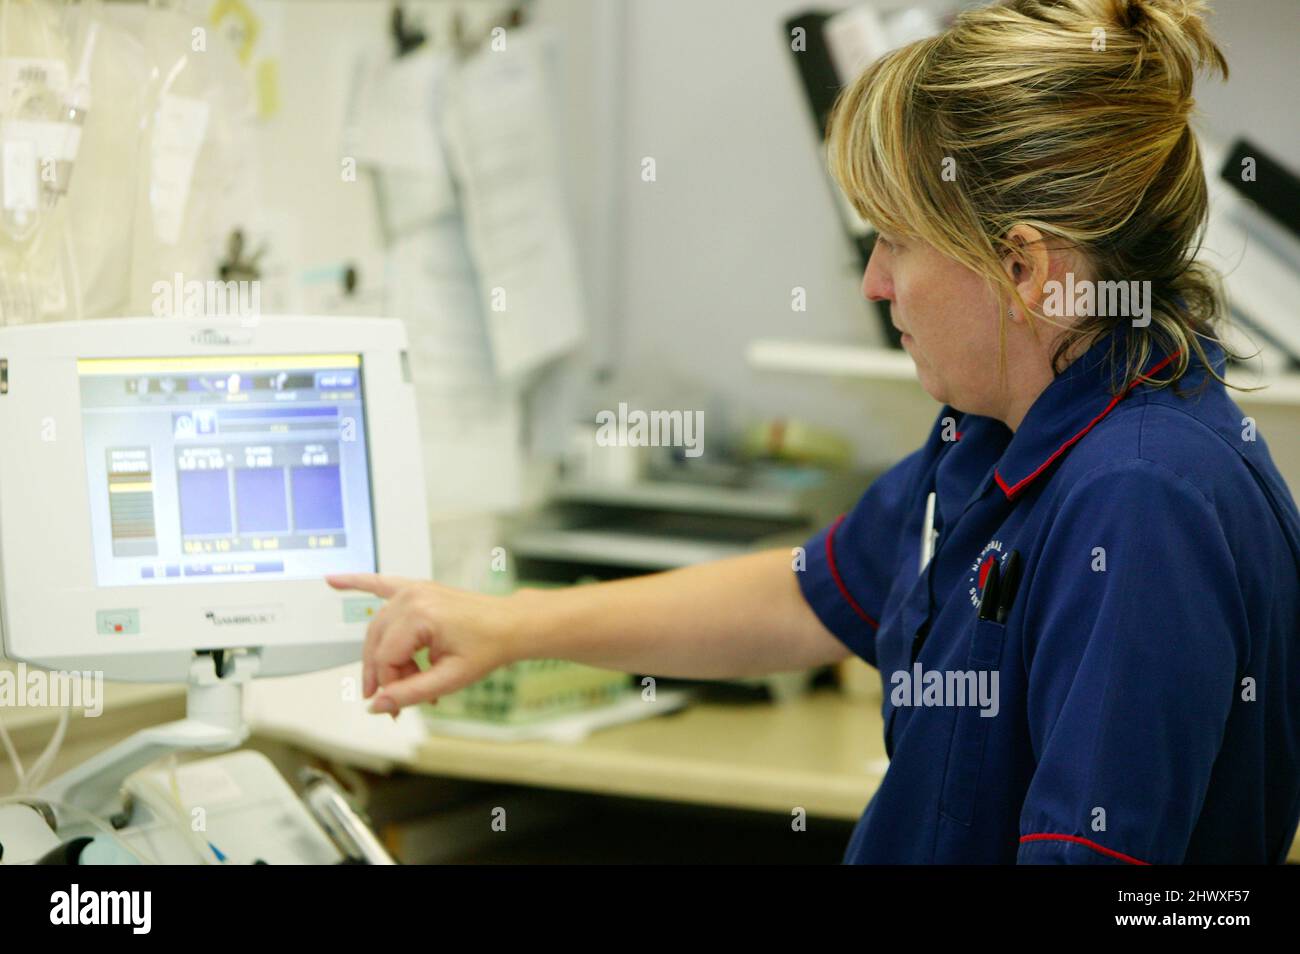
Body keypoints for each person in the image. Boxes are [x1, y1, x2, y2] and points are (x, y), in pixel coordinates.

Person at [329, 0, 1300, 864]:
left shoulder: (1139, 503)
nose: (873, 283)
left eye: (891, 239)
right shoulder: (995, 439)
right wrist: (504, 626)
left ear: (1021, 268)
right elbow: (806, 597)